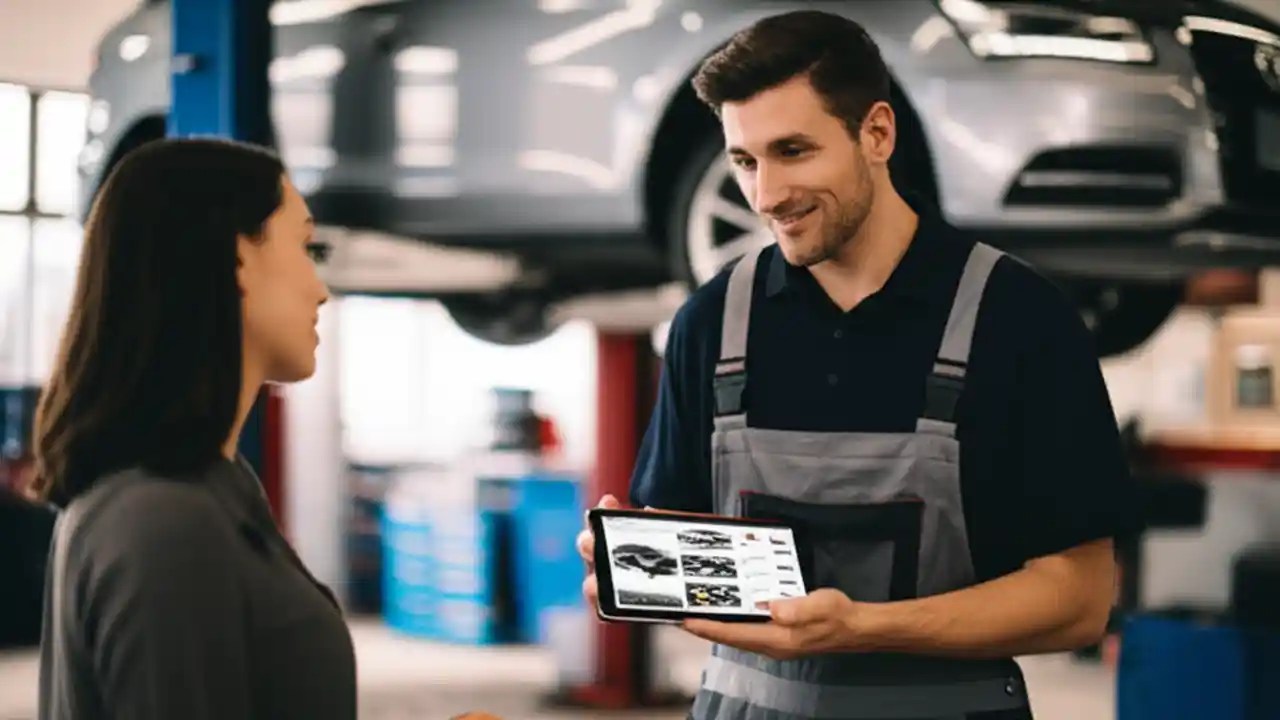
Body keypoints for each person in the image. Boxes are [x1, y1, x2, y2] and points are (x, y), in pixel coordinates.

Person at [578, 10, 1140, 720]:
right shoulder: (711, 324)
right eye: (745, 161)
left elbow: (1079, 602)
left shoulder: (1021, 321)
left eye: (794, 151)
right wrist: (634, 569)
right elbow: (686, 544)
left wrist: (864, 629)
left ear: (877, 133)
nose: (767, 196)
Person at [30, 138, 501, 720]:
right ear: (237, 257)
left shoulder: (212, 487)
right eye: (304, 247)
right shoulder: (162, 520)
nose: (320, 288)